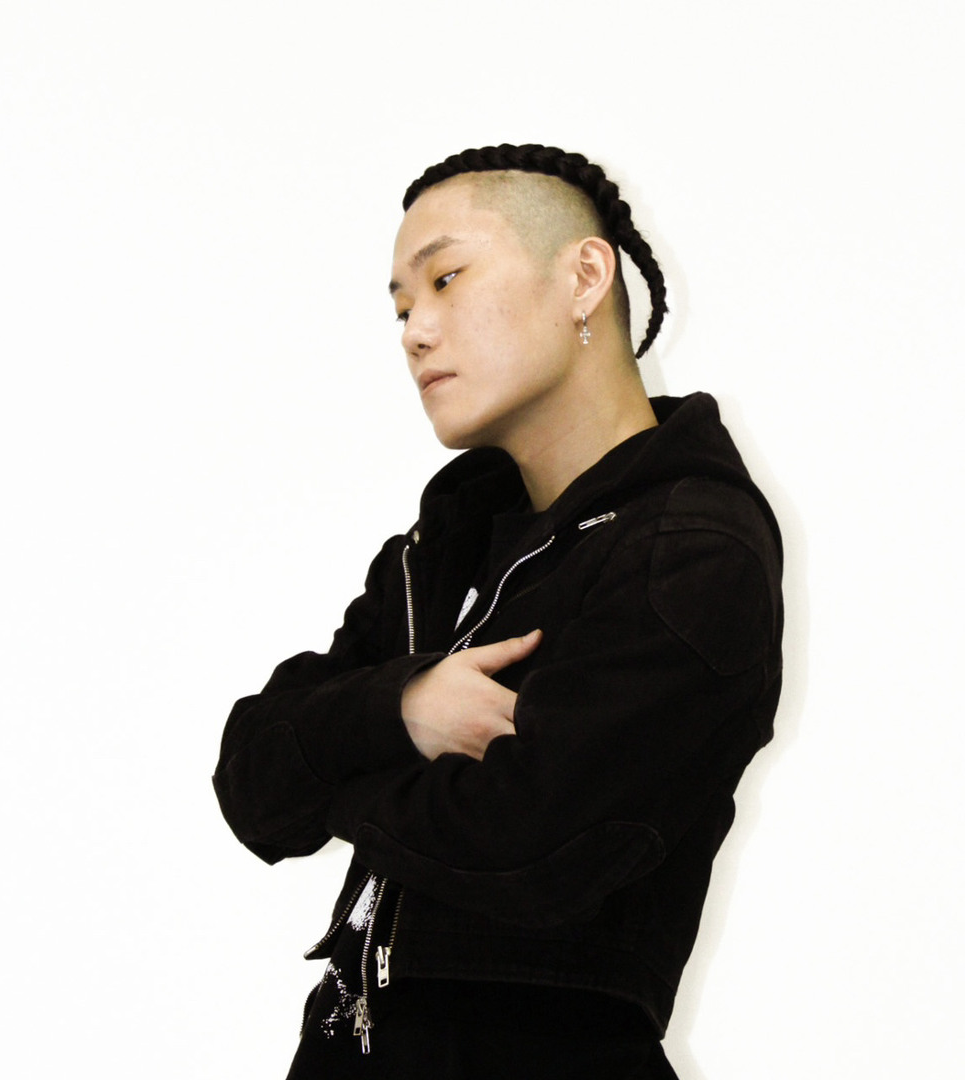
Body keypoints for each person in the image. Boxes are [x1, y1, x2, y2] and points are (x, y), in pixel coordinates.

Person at [213, 143, 784, 1079]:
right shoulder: (444, 549)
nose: (415, 331)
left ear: (584, 278)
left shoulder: (691, 553)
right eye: (402, 306)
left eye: (446, 279)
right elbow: (251, 777)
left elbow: (528, 850)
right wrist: (404, 708)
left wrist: (342, 764)